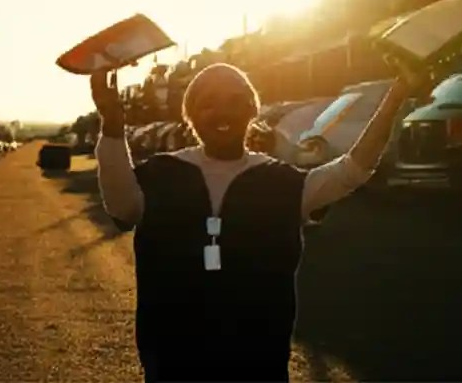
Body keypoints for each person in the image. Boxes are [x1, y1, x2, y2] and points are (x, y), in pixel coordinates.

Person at [92, 62, 412, 383]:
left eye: (235, 101)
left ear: (252, 111)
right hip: (173, 363)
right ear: (189, 116)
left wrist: (394, 100)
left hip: (258, 364)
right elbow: (122, 207)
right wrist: (111, 127)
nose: (222, 112)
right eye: (208, 103)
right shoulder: (160, 174)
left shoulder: (281, 182)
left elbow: (351, 171)